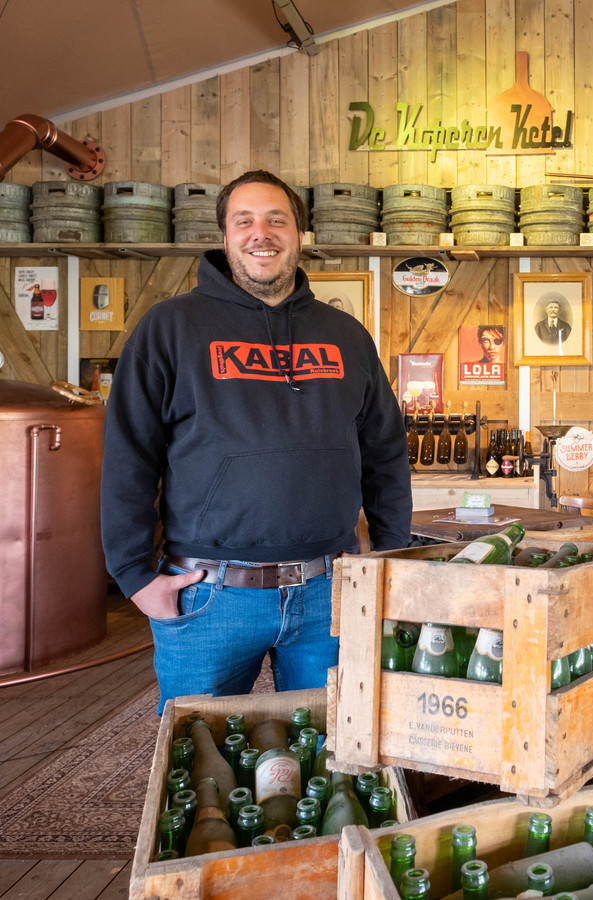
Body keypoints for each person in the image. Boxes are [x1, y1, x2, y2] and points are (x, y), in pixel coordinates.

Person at [101, 169, 412, 712]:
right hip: (208, 595)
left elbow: (385, 449)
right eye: (244, 220)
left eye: (276, 219)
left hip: (329, 594)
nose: (260, 232)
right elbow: (128, 455)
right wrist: (134, 577)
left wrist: (392, 554)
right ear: (225, 236)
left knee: (333, 761)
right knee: (202, 770)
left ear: (299, 235)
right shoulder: (169, 328)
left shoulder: (346, 336)